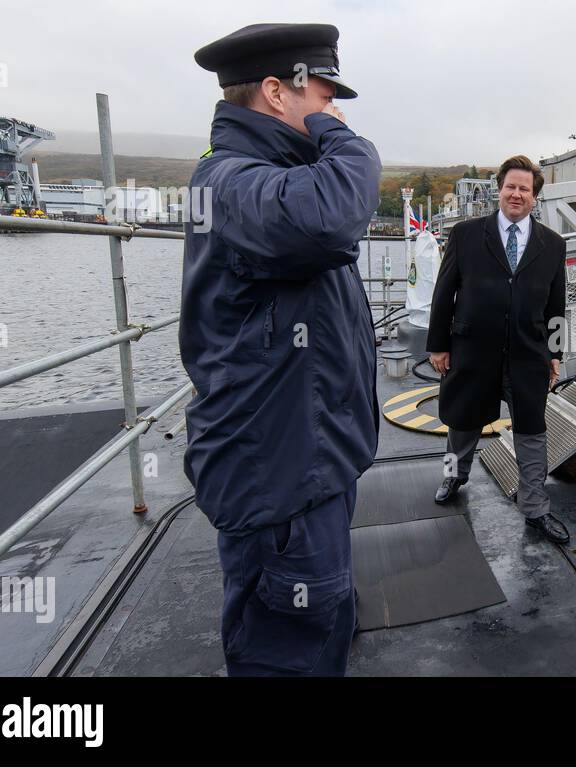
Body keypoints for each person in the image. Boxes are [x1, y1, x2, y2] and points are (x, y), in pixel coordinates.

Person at [180, 23, 382, 675]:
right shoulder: (230, 184)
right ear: (275, 91)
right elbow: (330, 214)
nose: (333, 112)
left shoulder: (267, 178)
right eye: (322, 98)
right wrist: (341, 139)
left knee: (322, 632)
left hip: (309, 466)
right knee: (289, 652)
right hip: (281, 485)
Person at [428, 156, 570, 545]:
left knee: (531, 430)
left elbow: (557, 306)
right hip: (473, 349)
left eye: (525, 189)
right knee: (462, 423)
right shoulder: (466, 234)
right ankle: (454, 476)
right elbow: (444, 292)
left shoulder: (552, 245)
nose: (516, 194)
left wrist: (555, 353)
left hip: (527, 355)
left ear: (535, 198)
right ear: (499, 190)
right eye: (511, 187)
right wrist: (438, 344)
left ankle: (536, 508)